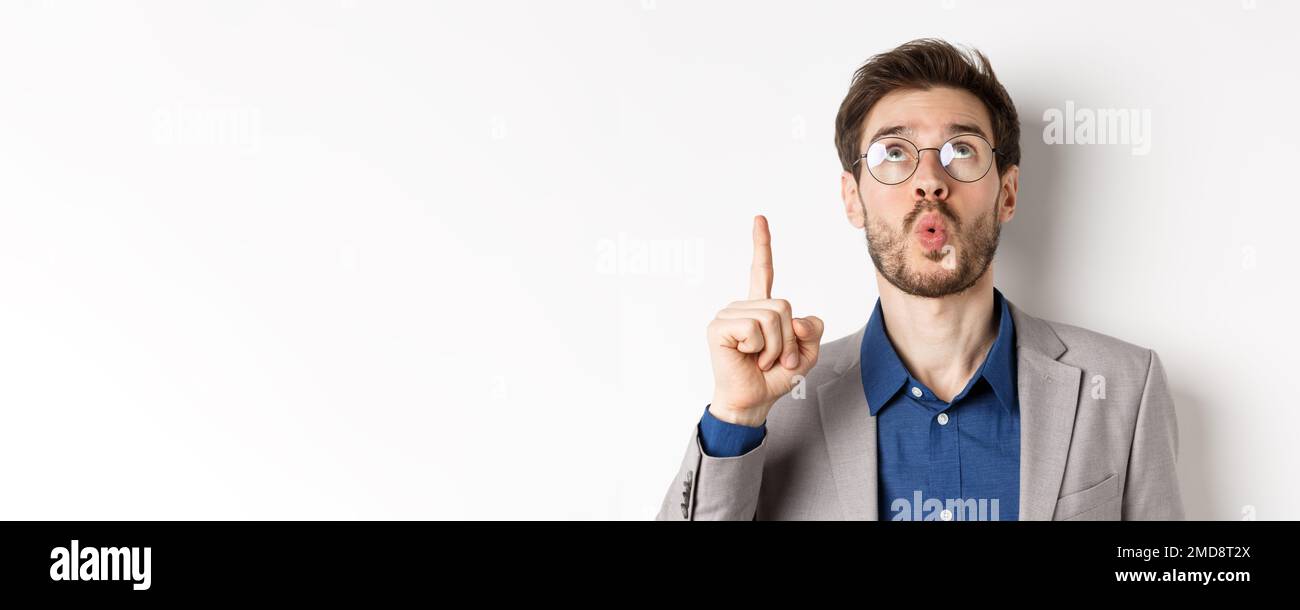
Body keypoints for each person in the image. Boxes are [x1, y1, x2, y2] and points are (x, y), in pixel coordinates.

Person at [656, 38, 1184, 521]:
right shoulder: (779, 407)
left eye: (961, 150)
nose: (930, 182)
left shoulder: (1122, 388)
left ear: (1007, 194)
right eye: (894, 154)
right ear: (852, 197)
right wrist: (736, 416)